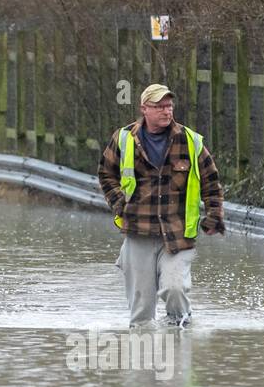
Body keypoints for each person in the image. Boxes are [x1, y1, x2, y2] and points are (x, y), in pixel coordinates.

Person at [96, 84, 226, 327]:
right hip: (138, 232)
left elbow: (211, 182)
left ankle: (180, 341)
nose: (167, 111)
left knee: (175, 289)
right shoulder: (123, 139)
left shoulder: (191, 141)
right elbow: (106, 174)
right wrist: (119, 204)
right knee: (142, 311)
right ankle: (142, 358)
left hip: (177, 233)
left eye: (169, 106)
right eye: (159, 107)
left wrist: (213, 216)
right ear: (144, 109)